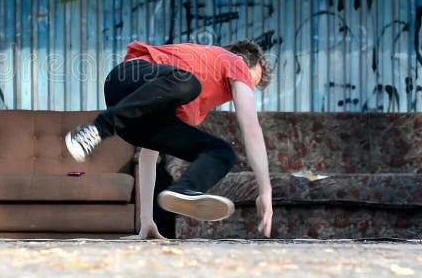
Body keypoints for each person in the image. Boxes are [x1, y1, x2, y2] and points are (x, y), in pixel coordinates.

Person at [64, 39, 273, 239]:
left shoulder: (191, 103)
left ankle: (184, 189)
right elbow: (251, 129)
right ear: (245, 62)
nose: (249, 87)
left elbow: (149, 154)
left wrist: (146, 219)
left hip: (134, 121)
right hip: (128, 78)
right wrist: (265, 191)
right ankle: (96, 130)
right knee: (188, 83)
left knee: (221, 152)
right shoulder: (232, 61)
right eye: (252, 78)